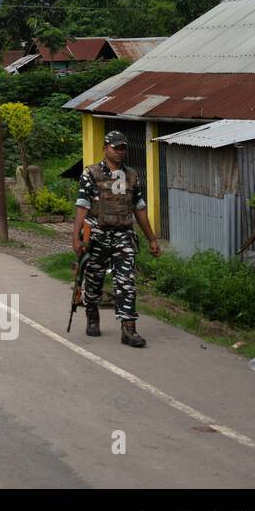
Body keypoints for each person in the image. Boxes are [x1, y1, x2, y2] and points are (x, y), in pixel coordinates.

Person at [72, 130, 161, 348]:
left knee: (126, 280)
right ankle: (92, 314)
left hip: (123, 235)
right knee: (93, 279)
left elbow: (139, 208)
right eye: (116, 148)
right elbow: (83, 205)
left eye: (123, 148)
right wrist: (76, 238)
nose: (120, 152)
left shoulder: (131, 175)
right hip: (97, 235)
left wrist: (151, 239)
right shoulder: (90, 173)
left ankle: (128, 329)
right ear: (105, 147)